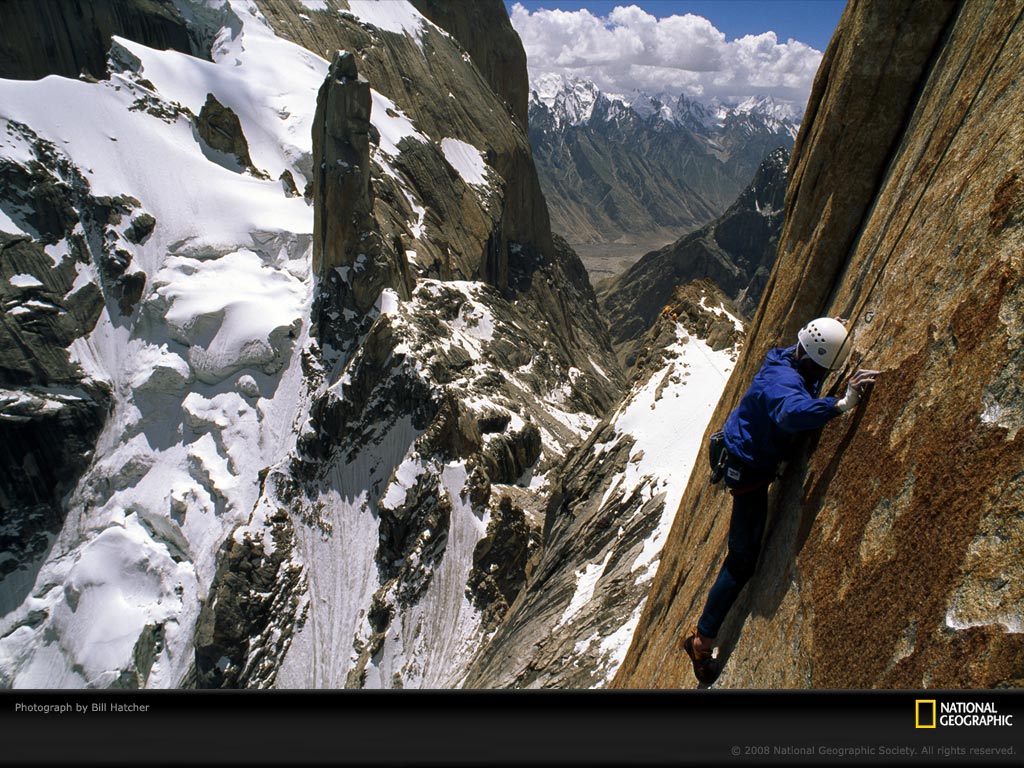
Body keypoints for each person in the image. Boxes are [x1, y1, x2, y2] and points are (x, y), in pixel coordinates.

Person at [684, 317, 879, 684]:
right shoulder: (785, 381)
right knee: (741, 562)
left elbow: (806, 369)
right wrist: (841, 404)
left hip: (741, 451)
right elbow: (791, 413)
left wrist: (831, 331)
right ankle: (701, 640)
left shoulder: (786, 358)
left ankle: (704, 635)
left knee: (742, 554)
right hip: (746, 470)